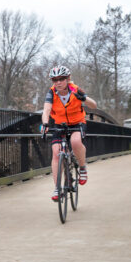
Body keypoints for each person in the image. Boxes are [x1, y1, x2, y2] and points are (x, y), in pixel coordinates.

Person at [41, 65, 97, 202]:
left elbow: (94, 105)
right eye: (55, 80)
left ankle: (82, 168)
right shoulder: (52, 92)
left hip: (77, 122)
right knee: (55, 152)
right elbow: (46, 110)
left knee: (75, 141)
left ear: (68, 79)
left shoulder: (76, 90)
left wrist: (84, 98)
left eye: (61, 79)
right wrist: (45, 123)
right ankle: (57, 188)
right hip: (59, 124)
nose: (58, 82)